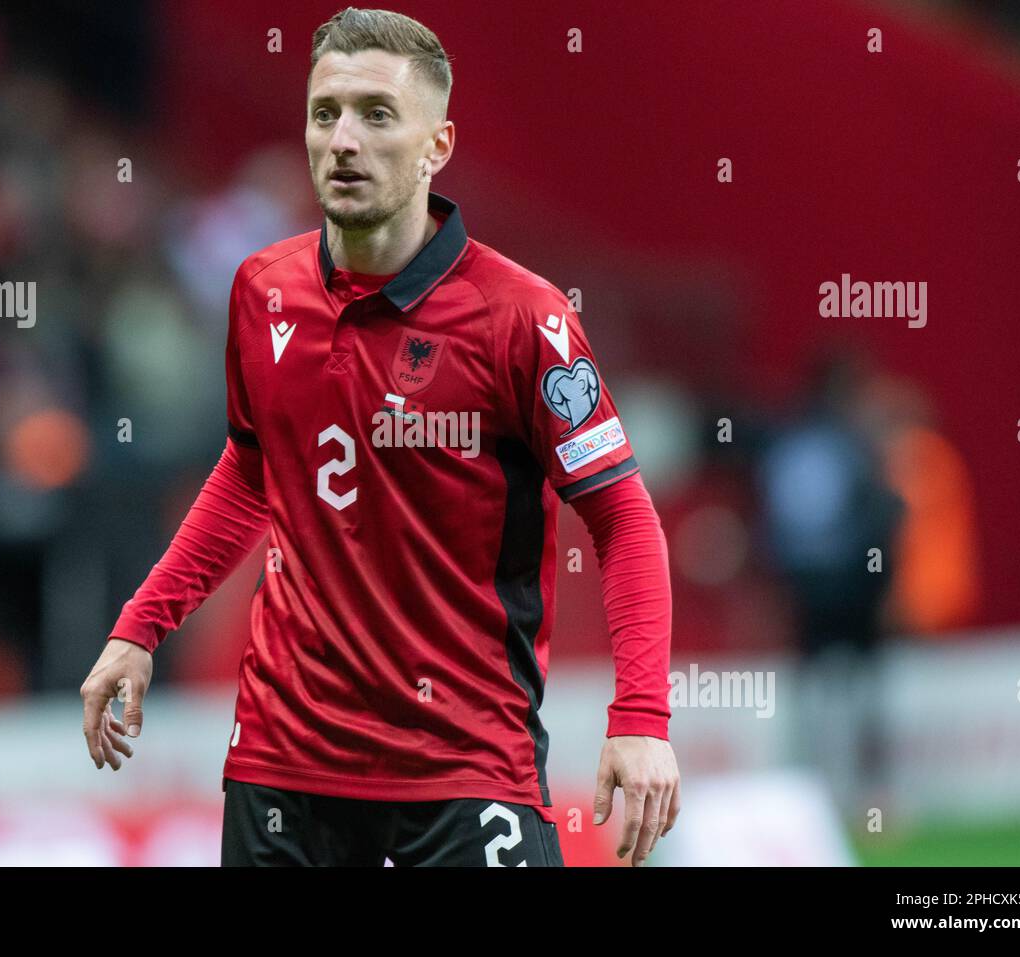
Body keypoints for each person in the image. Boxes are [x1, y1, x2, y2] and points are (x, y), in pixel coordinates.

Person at [80, 6, 678, 867]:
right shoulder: (262, 290)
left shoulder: (524, 320)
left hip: (465, 770)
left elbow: (622, 519)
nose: (344, 140)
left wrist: (643, 719)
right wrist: (139, 627)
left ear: (437, 145)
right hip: (283, 765)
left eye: (376, 114)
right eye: (326, 113)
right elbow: (252, 473)